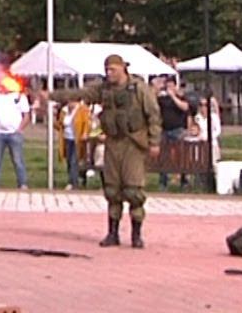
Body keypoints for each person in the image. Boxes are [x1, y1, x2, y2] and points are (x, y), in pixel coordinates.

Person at [50, 54, 160, 249]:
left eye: (113, 70)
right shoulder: (103, 90)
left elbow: (153, 115)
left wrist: (154, 142)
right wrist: (51, 96)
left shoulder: (139, 89)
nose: (109, 73)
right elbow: (81, 94)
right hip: (113, 143)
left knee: (133, 190)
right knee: (112, 190)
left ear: (123, 69)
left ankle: (136, 234)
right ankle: (113, 233)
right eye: (107, 70)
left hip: (134, 143)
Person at [0, 77, 30, 190]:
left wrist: (20, 128)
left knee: (18, 160)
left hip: (14, 133)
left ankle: (22, 183)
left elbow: (26, 115)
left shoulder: (19, 97)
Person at [156, 76, 190, 191]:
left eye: (172, 86)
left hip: (178, 130)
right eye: (168, 86)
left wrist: (173, 96)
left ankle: (184, 181)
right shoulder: (162, 99)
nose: (169, 88)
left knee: (181, 157)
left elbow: (185, 108)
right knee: (164, 157)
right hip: (164, 130)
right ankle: (163, 183)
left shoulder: (181, 97)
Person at [55, 98, 90, 191]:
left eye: (73, 102)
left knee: (75, 160)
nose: (71, 104)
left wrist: (85, 133)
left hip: (77, 139)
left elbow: (86, 122)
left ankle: (73, 183)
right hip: (67, 138)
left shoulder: (83, 109)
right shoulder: (64, 110)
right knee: (69, 161)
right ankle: (72, 179)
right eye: (69, 102)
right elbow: (60, 123)